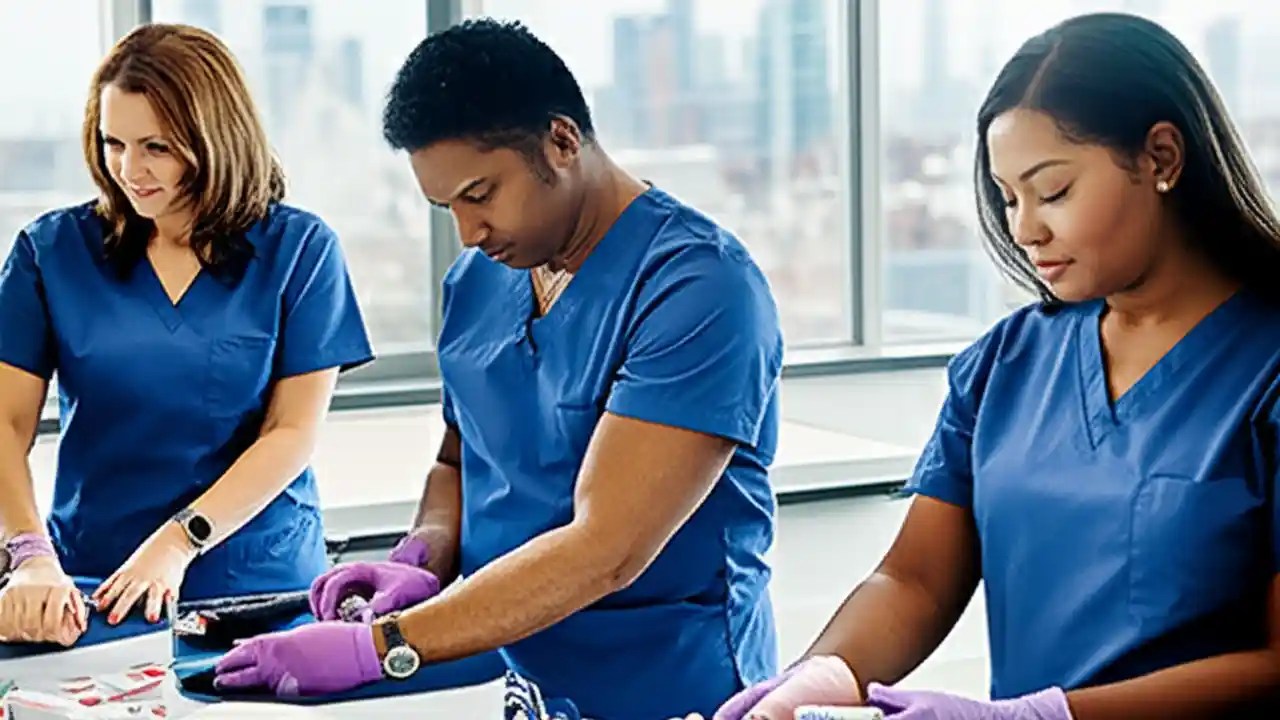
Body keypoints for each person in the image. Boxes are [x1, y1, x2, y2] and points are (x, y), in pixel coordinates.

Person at [708, 12, 1280, 720]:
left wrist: (1037, 717)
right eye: (1009, 198)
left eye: (1054, 191)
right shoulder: (1005, 366)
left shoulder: (1265, 370)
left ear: (1161, 157)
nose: (1024, 229)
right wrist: (823, 677)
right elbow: (914, 581)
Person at [210, 18, 784, 720]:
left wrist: (379, 646)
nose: (468, 232)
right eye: (446, 207)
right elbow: (458, 460)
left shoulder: (700, 289)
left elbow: (607, 548)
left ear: (561, 141)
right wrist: (424, 553)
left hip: (666, 689)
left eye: (480, 195)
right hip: (510, 680)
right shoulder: (478, 281)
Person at [0, 23, 373, 647]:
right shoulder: (52, 252)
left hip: (257, 586)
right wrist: (30, 554)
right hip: (97, 586)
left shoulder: (301, 251)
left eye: (157, 147)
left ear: (213, 139)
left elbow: (291, 432)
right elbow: (6, 425)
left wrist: (178, 541)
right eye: (113, 143)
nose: (129, 170)